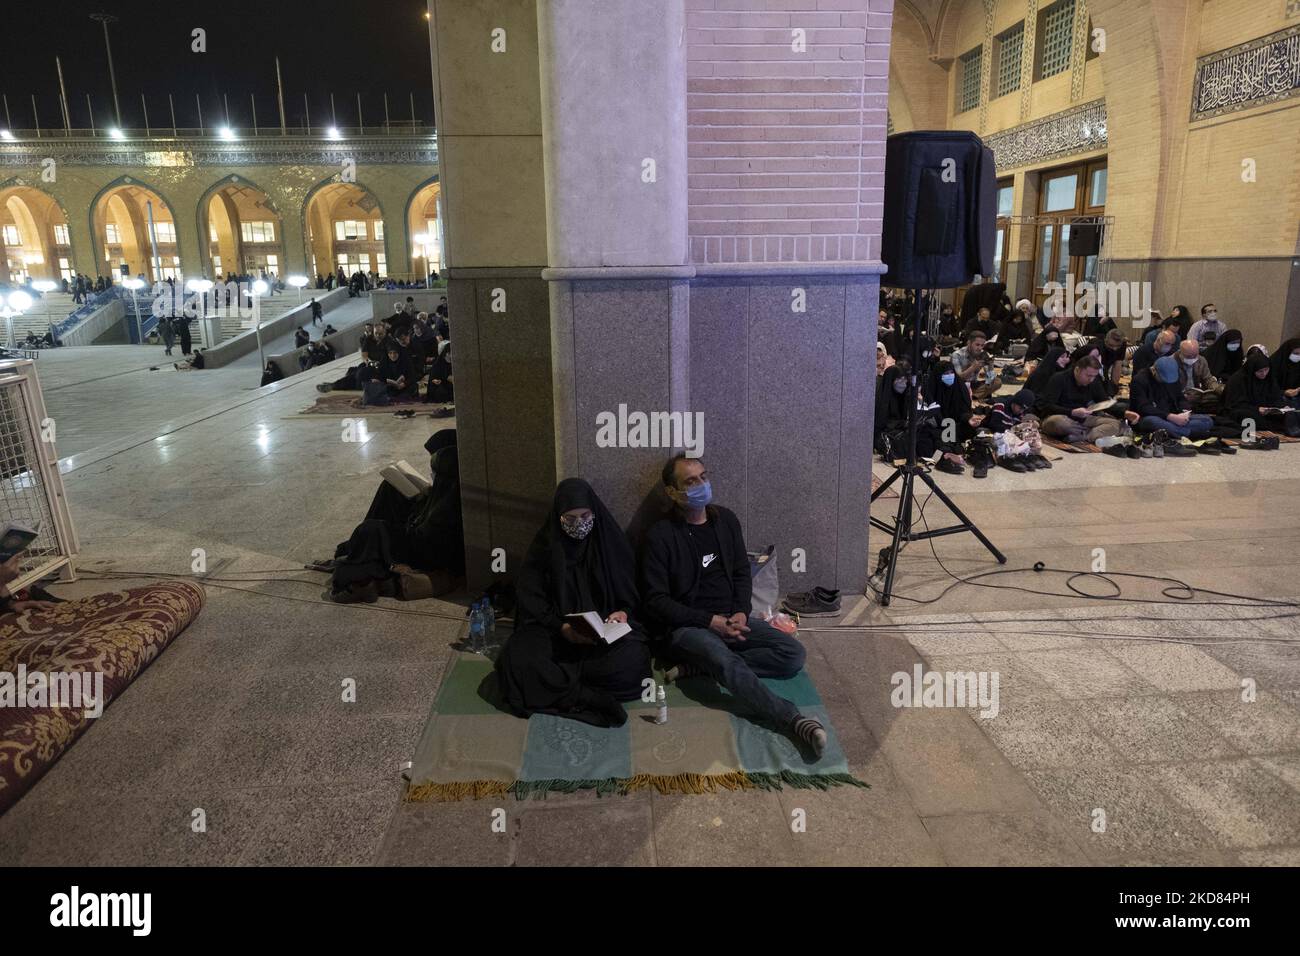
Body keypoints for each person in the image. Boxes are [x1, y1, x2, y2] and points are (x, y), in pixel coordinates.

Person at [641, 455, 824, 754]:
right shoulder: (660, 536)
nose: (701, 485)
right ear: (672, 492)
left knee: (792, 654)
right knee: (725, 660)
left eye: (703, 477)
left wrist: (740, 611)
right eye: (690, 481)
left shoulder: (725, 520)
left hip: (733, 617)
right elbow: (655, 601)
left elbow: (741, 571)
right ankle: (792, 719)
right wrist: (710, 622)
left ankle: (698, 669)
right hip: (689, 627)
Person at [494, 478, 651, 727]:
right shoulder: (545, 549)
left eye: (585, 515)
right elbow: (532, 601)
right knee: (516, 658)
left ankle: (557, 683)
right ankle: (586, 695)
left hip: (602, 636)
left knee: (633, 660)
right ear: (558, 517)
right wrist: (562, 627)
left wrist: (622, 613)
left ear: (595, 512)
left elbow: (631, 597)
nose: (580, 524)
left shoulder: (611, 544)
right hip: (555, 633)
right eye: (570, 519)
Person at [329, 430, 466, 602]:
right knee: (391, 488)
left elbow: (427, 537)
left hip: (426, 554)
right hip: (420, 537)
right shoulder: (448, 484)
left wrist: (400, 528)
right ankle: (358, 554)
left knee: (370, 529)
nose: (433, 472)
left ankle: (361, 575)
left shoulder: (452, 496)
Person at [1036, 356, 1138, 443]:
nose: (1091, 379)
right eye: (1088, 375)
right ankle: (1088, 433)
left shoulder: (1093, 381)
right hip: (1061, 417)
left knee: (1115, 424)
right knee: (1059, 423)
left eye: (1094, 376)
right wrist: (1072, 412)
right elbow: (1047, 406)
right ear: (1077, 370)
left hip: (1083, 419)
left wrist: (1125, 413)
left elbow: (1105, 403)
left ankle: (1082, 436)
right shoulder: (1059, 378)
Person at [1130, 355, 1214, 439]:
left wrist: (1185, 412)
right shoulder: (1139, 380)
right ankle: (1190, 433)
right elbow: (1143, 408)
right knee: (1153, 422)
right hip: (1151, 417)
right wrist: (1170, 416)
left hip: (1174, 416)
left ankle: (1175, 431)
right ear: (1154, 370)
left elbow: (1180, 397)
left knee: (1207, 420)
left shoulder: (1172, 378)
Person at [926, 359, 987, 474]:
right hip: (938, 426)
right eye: (945, 374)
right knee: (935, 439)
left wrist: (969, 418)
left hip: (955, 425)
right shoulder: (931, 388)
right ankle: (944, 459)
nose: (950, 376)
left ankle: (978, 460)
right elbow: (934, 414)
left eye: (951, 373)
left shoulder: (959, 386)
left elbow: (963, 411)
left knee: (975, 432)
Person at [1222, 351, 1300, 437]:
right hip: (1245, 409)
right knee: (1245, 415)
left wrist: (1282, 406)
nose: (1264, 374)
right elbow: (1234, 403)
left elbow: (1274, 395)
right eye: (1260, 371)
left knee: (1290, 409)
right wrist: (1257, 409)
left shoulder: (1268, 378)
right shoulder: (1238, 380)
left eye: (1266, 370)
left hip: (1266, 410)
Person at [1176, 339, 1223, 412]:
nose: (1192, 358)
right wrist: (1182, 395)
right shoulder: (1171, 362)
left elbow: (1208, 379)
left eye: (1195, 355)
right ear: (1180, 352)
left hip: (1197, 395)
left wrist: (1218, 388)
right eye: (1188, 356)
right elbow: (1169, 387)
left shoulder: (1201, 360)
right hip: (1180, 397)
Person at [950, 329, 998, 401]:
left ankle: (971, 396)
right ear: (969, 343)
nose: (980, 348)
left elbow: (990, 381)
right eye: (977, 345)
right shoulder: (957, 355)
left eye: (982, 345)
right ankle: (971, 396)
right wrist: (972, 368)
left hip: (973, 384)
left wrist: (991, 367)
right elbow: (958, 378)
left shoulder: (983, 354)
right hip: (960, 385)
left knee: (997, 382)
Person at [1269, 337, 1300, 402]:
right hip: (1275, 399)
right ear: (1287, 352)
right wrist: (1283, 392)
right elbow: (1268, 386)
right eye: (1296, 353)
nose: (1298, 356)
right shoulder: (1274, 363)